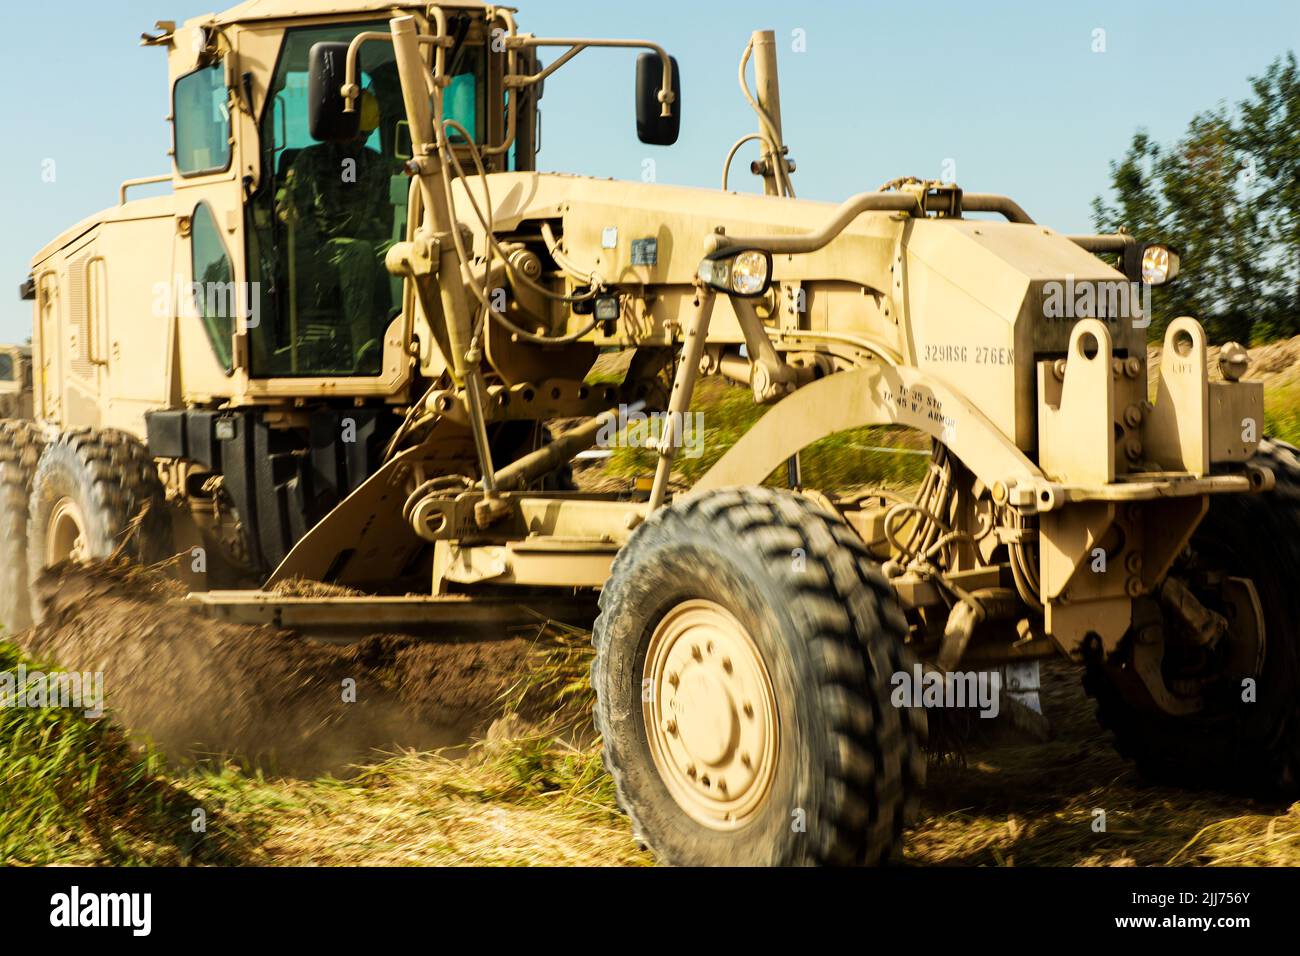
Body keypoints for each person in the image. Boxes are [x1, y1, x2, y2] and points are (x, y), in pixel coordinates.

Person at [279, 89, 393, 371]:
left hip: (364, 243)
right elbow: (287, 213)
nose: (358, 142)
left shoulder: (376, 164)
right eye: (355, 134)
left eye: (365, 135)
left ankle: (400, 335)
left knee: (402, 252)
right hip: (318, 251)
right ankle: (363, 351)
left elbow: (386, 211)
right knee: (357, 252)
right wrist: (309, 240)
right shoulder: (308, 162)